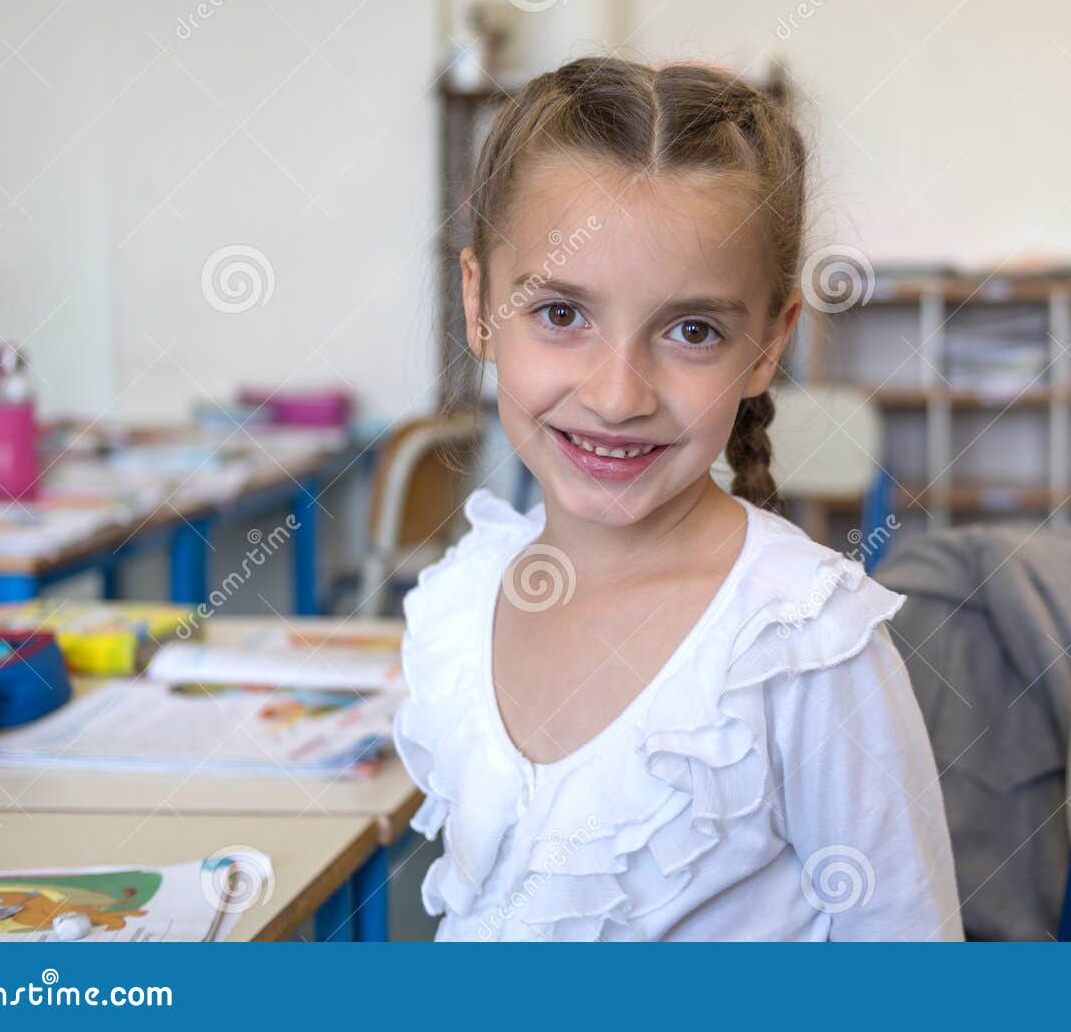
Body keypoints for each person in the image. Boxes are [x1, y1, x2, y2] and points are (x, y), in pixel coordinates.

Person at [393, 56, 961, 941]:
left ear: (770, 345)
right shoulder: (464, 599)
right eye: (560, 315)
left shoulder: (803, 647)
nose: (619, 396)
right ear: (478, 304)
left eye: (691, 331)